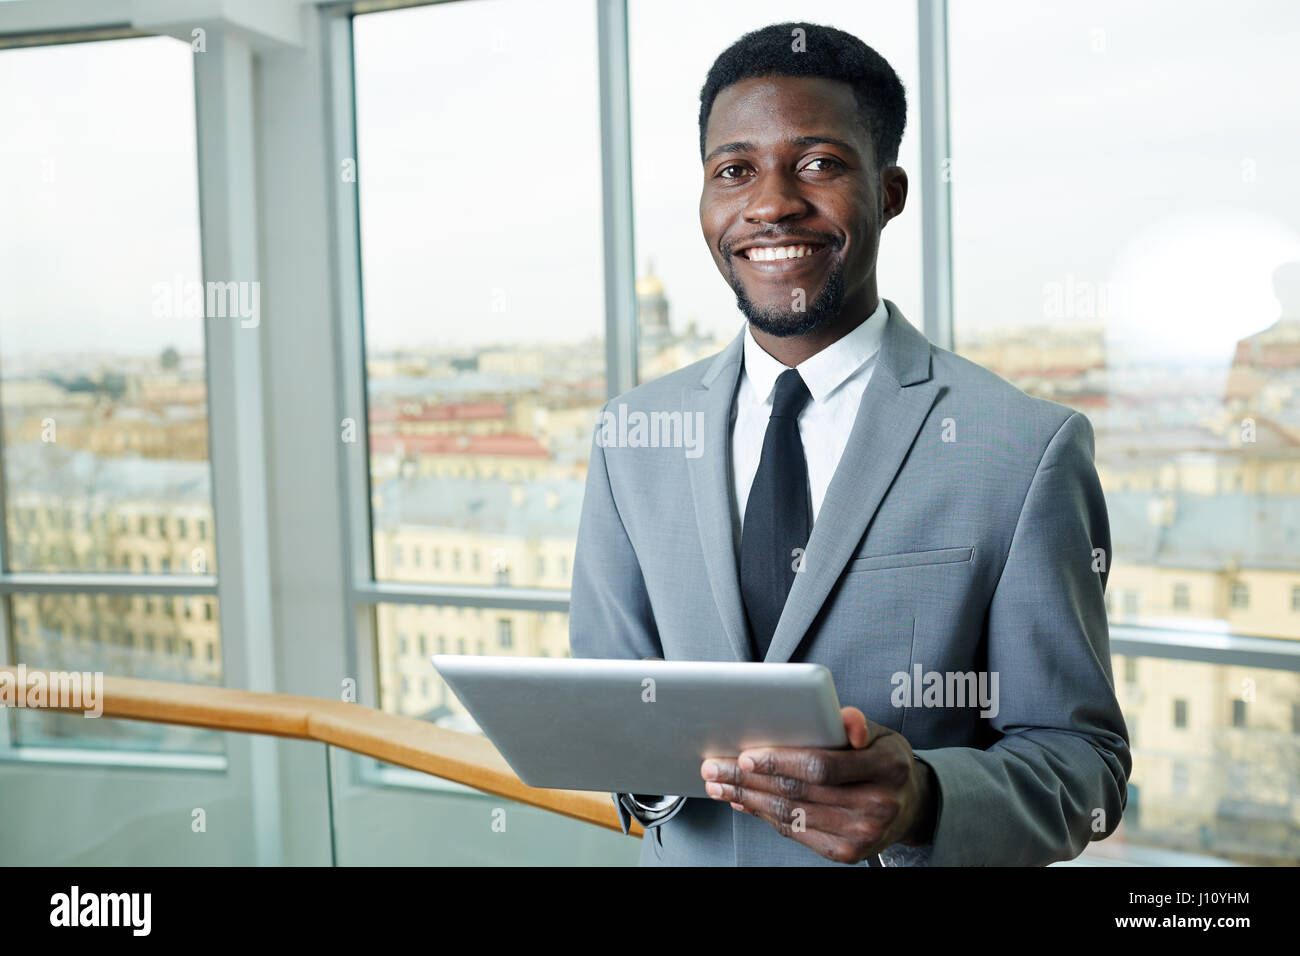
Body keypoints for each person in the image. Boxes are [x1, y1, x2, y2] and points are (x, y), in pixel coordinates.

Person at [569, 21, 1130, 866]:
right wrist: (641, 777)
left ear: (892, 191)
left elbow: (1084, 769)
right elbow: (612, 711)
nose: (770, 203)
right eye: (734, 170)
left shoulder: (1024, 448)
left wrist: (926, 801)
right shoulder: (632, 438)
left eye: (820, 164)